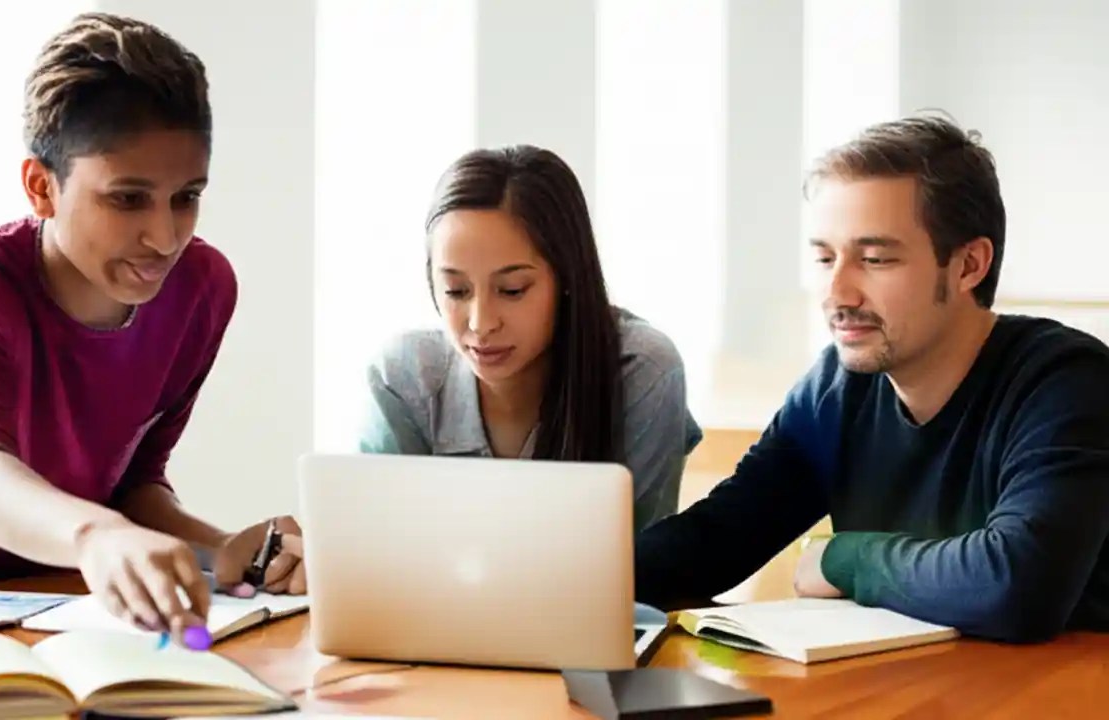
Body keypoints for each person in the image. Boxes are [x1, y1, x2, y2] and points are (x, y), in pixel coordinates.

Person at [0, 12, 305, 642]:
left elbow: (131, 485)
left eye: (186, 196)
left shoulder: (203, 288)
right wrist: (99, 536)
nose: (165, 238)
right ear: (41, 187)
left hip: (49, 598)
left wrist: (223, 550)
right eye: (128, 198)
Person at [634, 115, 1109, 642]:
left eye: (875, 259)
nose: (838, 292)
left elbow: (1018, 585)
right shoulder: (836, 390)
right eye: (824, 258)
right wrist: (562, 584)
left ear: (969, 264)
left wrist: (845, 557)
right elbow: (715, 540)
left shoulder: (1066, 383)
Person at [360, 145, 703, 532]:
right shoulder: (403, 375)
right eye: (456, 290)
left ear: (568, 278)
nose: (481, 323)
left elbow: (642, 568)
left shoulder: (643, 370)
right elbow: (377, 541)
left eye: (512, 289)